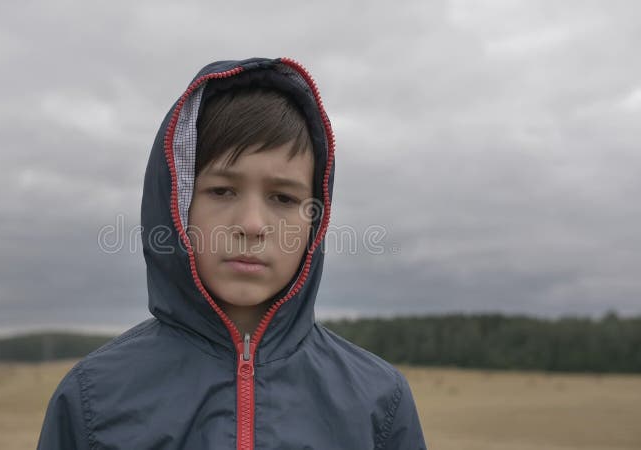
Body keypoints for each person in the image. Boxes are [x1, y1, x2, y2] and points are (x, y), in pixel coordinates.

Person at [36, 57, 427, 449]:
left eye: (283, 197)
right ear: (177, 205)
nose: (252, 224)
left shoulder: (379, 403)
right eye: (222, 191)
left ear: (315, 221)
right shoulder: (92, 400)